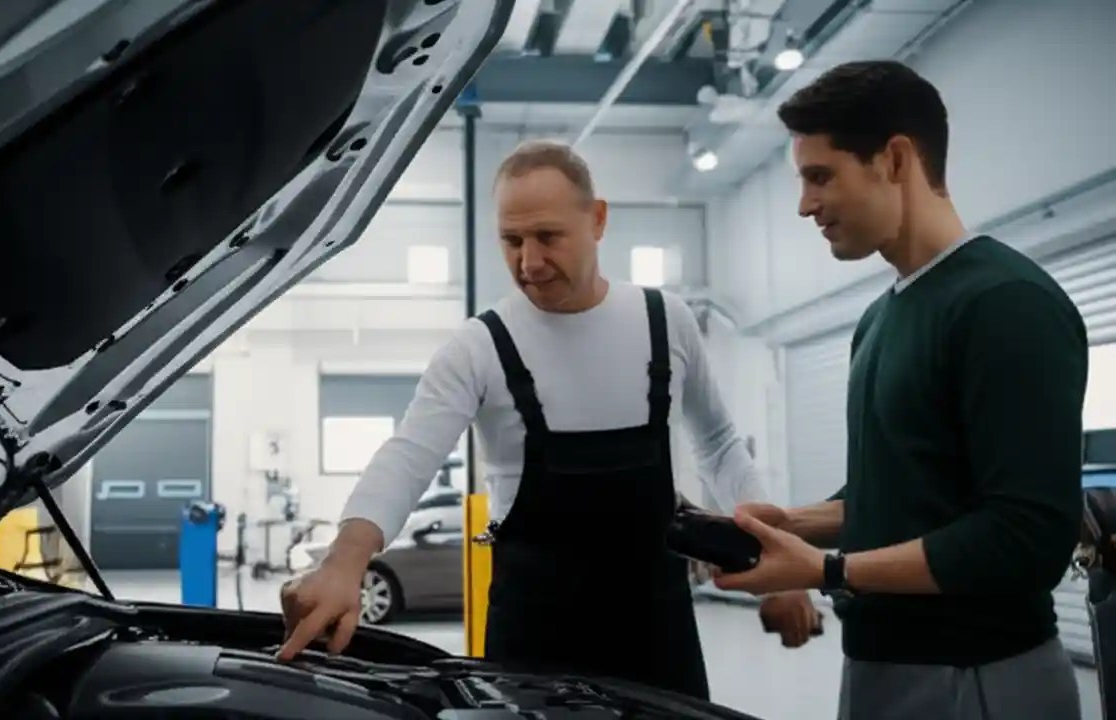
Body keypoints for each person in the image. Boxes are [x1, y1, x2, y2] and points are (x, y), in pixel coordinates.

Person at [276, 139, 821, 698]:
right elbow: (409, 455)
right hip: (531, 643)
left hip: (658, 634)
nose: (529, 263)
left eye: (547, 237)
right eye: (511, 241)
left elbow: (721, 445)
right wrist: (347, 559)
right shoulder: (480, 347)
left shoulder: (667, 323)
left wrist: (771, 552)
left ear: (599, 220)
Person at [712, 60, 1088, 719]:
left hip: (976, 677)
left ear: (893, 159)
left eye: (819, 176)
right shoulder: (880, 318)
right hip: (882, 666)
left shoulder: (1005, 303)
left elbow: (1027, 536)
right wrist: (791, 524)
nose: (804, 205)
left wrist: (824, 571)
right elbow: (909, 496)